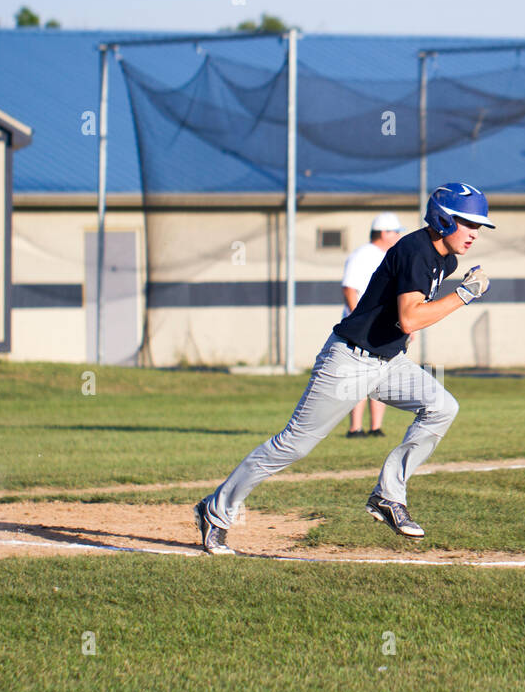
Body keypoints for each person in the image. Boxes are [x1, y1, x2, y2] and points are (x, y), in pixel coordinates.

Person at [194, 182, 495, 555]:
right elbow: (409, 319)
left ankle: (388, 496)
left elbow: (404, 317)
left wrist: (415, 321)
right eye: (469, 223)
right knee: (293, 445)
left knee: (443, 407)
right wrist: (463, 295)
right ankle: (216, 510)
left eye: (479, 225)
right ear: (444, 218)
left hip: (387, 362)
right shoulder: (416, 250)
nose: (475, 233)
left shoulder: (444, 259)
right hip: (349, 362)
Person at [340, 212, 404, 438]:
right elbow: (349, 288)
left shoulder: (389, 256)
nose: (398, 236)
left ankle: (375, 427)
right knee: (358, 379)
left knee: (379, 378)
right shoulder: (364, 255)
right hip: (362, 330)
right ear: (385, 232)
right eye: (396, 232)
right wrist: (359, 321)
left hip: (383, 329)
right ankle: (355, 428)